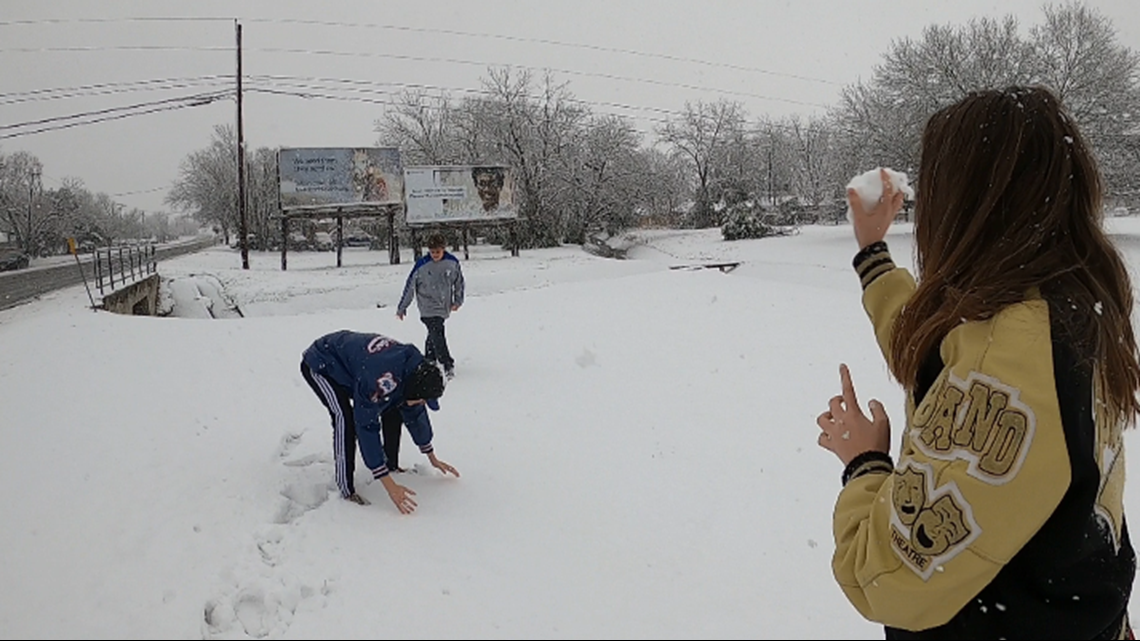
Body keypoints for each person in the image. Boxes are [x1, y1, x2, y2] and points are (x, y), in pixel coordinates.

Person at [815, 86, 1139, 639]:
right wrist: (873, 253)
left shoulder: (1009, 362)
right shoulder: (1068, 305)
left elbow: (886, 576)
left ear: (966, 205)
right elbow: (934, 348)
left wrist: (864, 463)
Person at [301, 329, 460, 514]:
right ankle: (346, 489)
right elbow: (367, 426)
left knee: (395, 406)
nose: (422, 404)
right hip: (323, 363)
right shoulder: (378, 383)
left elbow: (415, 413)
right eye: (422, 400)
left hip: (360, 366)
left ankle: (391, 465)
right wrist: (389, 485)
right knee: (345, 419)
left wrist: (432, 457)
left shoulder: (414, 371)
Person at [397, 232, 464, 379]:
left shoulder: (452, 263)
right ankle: (447, 363)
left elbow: (459, 283)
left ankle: (429, 360)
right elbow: (410, 286)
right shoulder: (422, 265)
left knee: (433, 333)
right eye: (432, 252)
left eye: (438, 252)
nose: (435, 255)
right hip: (427, 306)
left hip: (443, 305)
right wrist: (403, 306)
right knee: (436, 331)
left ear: (444, 249)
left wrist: (458, 300)